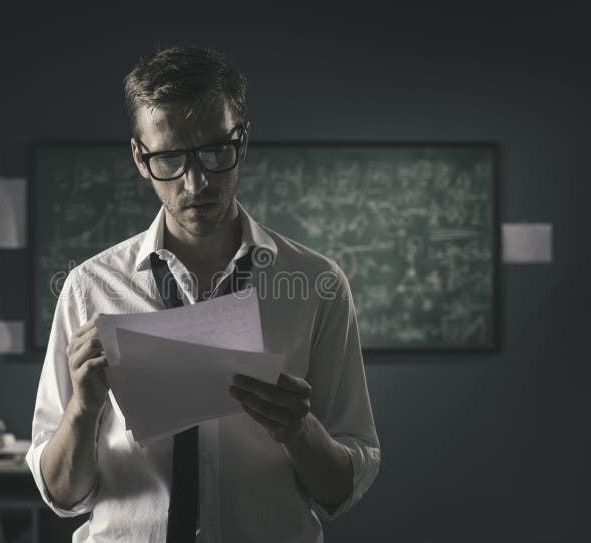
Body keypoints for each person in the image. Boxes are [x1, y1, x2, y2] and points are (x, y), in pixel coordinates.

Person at [26, 46, 380, 543]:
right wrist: (82, 411)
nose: (196, 183)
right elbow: (63, 497)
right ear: (140, 157)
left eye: (216, 151)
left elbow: (341, 489)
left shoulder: (318, 285)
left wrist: (300, 431)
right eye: (170, 157)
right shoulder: (88, 288)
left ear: (243, 140)